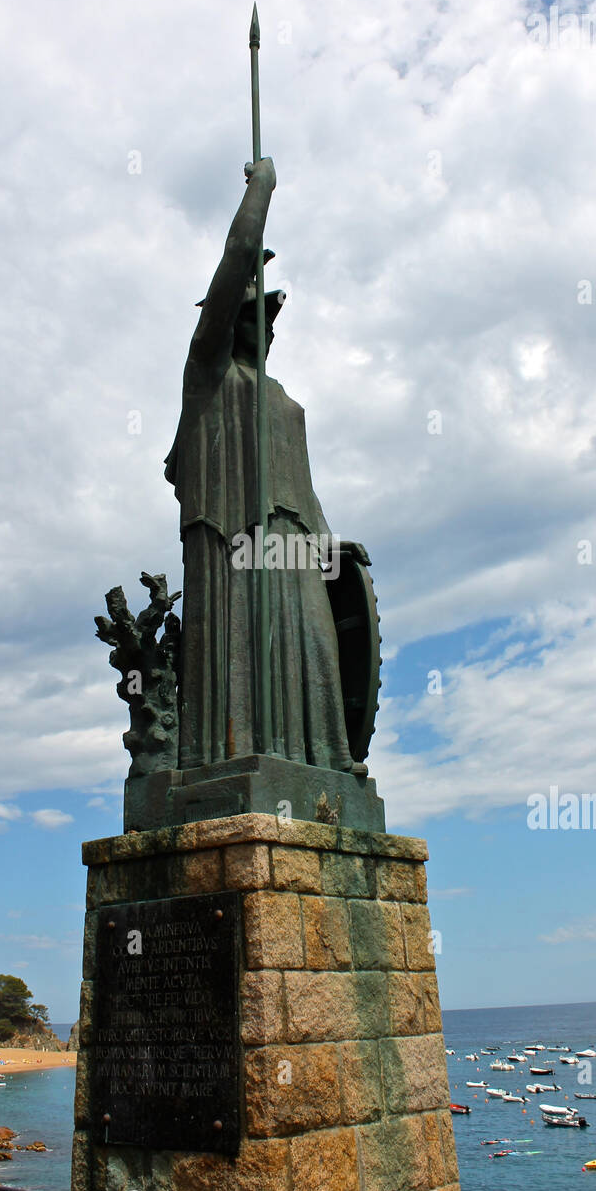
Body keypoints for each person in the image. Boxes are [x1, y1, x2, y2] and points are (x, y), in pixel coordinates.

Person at [165, 158, 363, 771]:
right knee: (238, 663)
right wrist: (263, 189)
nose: (267, 322)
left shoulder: (283, 401)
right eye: (256, 309)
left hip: (291, 543)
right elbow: (235, 260)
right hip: (232, 540)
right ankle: (228, 766)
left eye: (272, 316)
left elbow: (303, 485)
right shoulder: (209, 375)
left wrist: (330, 545)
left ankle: (324, 765)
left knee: (315, 649)